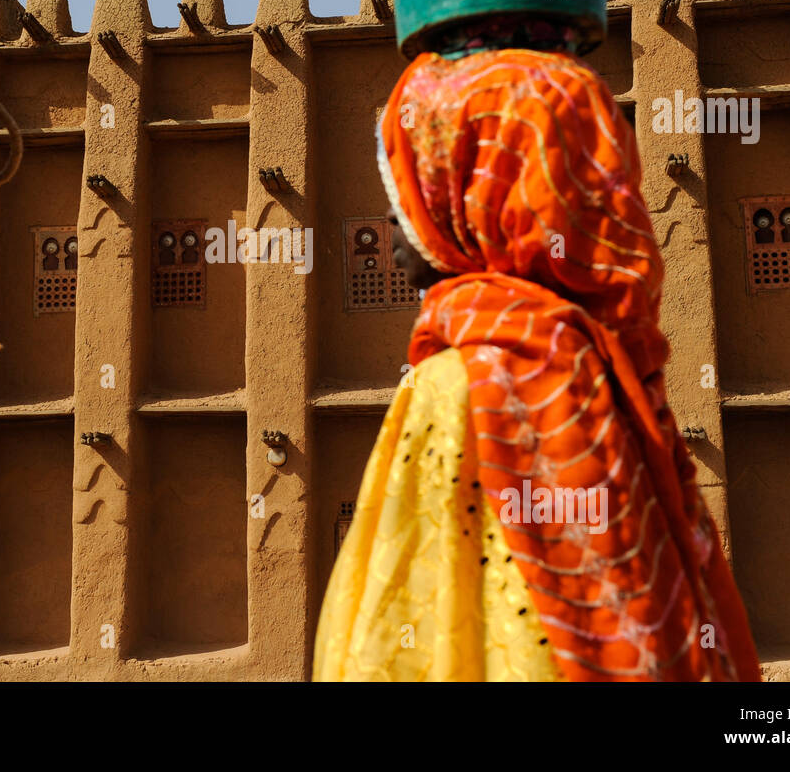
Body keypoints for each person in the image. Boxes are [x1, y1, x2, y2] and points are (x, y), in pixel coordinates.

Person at [313, 46, 761, 681]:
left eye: (415, 191)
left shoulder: (458, 388)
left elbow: (389, 648)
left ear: (479, 202)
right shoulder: (609, 377)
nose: (388, 218)